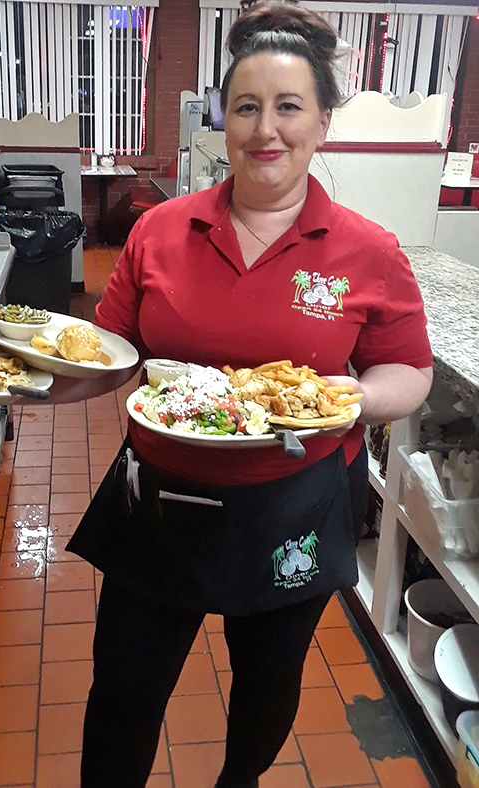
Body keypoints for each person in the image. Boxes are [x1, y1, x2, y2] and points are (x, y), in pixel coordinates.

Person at [64, 2, 434, 786]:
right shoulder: (159, 231)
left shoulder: (369, 253)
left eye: (289, 106)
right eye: (246, 107)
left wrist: (350, 399)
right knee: (124, 694)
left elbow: (409, 370)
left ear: (324, 122)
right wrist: (24, 379)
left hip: (290, 509)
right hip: (160, 503)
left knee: (267, 693)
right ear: (223, 121)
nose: (267, 129)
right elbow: (110, 353)